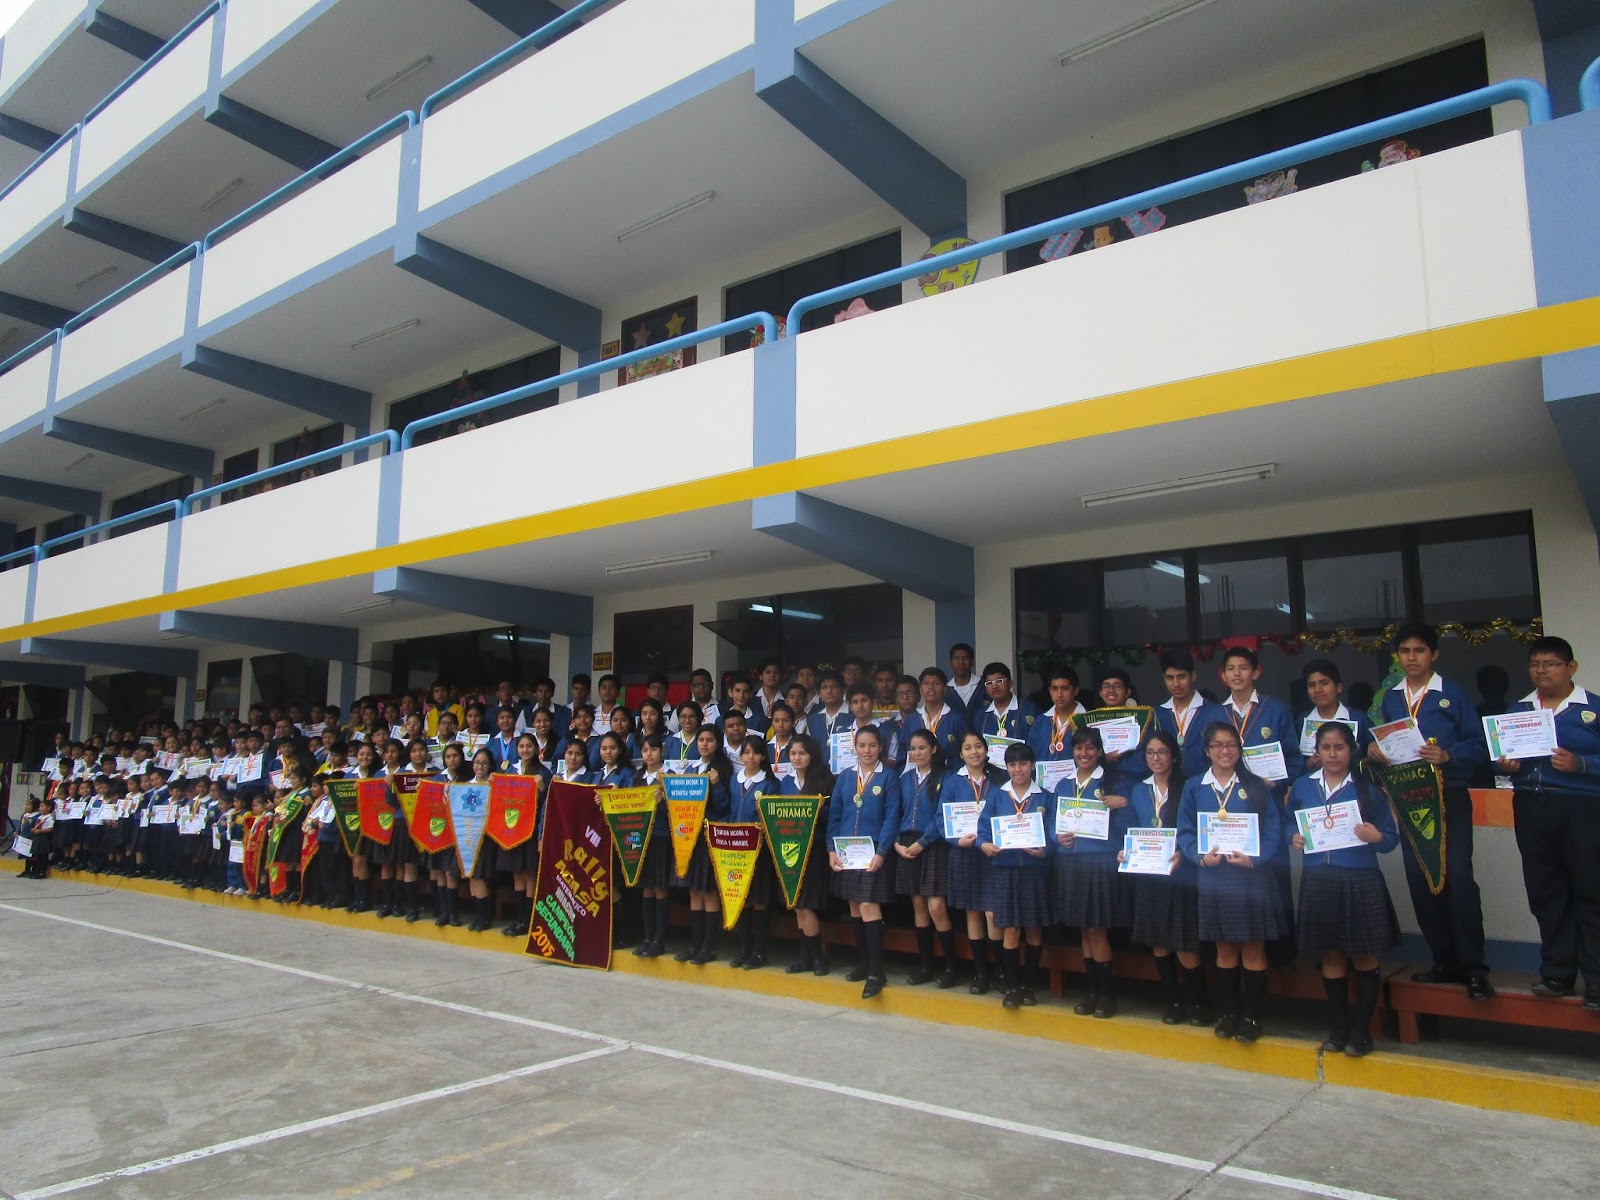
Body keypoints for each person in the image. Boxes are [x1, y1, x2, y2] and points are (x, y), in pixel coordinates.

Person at [1368, 623, 1491, 999]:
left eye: (1419, 651)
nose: (1412, 658)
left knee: (1456, 876)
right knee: (1420, 879)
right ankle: (1444, 961)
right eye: (1405, 651)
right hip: (1408, 799)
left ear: (1433, 654)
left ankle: (1474, 968)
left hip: (1448, 794)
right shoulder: (1390, 697)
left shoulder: (1451, 695)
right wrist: (1374, 753)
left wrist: (1450, 755)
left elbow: (1479, 743)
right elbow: (1382, 742)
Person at [1495, 636, 1600, 1009]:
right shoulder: (1517, 708)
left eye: (1550, 664)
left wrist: (1582, 765)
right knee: (1546, 892)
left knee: (1590, 893)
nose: (1541, 671)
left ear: (1571, 668)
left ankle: (1597, 983)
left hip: (1582, 808)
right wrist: (1506, 766)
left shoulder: (1592, 709)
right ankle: (1557, 974)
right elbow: (1502, 758)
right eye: (1535, 664)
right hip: (1532, 806)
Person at [1289, 722, 1400, 1056]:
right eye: (1326, 748)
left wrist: (1377, 837)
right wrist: (1290, 837)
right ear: (1316, 752)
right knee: (1331, 955)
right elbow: (1285, 823)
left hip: (1360, 878)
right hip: (1319, 879)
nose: (1333, 754)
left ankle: (1361, 1031)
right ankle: (1338, 1029)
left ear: (1351, 751)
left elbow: (1391, 838)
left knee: (1365, 956)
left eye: (1339, 748)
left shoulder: (1367, 789)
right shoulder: (1302, 787)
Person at [1177, 722, 1286, 1042]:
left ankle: (1251, 1018)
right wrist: (1199, 857)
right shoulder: (1195, 786)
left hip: (1251, 877)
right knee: (1224, 949)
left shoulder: (1255, 785)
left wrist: (1257, 858)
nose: (1225, 751)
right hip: (1214, 876)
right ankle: (1230, 1014)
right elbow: (1185, 830)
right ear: (1207, 751)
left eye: (1231, 746)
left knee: (1253, 948)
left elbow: (1272, 830)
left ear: (1239, 750)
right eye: (1217, 746)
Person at [1123, 731, 1208, 1025]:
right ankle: (1173, 1001)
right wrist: (1126, 852)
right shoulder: (1138, 789)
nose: (1156, 758)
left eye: (1161, 752)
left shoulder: (1190, 787)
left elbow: (1197, 828)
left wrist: (1185, 853)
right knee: (1158, 941)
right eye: (1150, 753)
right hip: (1149, 874)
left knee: (1185, 944)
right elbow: (1132, 827)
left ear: (1174, 755)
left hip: (1180, 873)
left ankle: (1198, 1002)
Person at [1052, 728, 1131, 1018]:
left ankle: (1106, 995)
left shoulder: (1113, 782)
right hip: (1071, 862)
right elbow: (1053, 822)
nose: (1084, 754)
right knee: (1084, 929)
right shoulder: (1063, 785)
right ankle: (1092, 992)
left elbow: (1128, 826)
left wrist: (1125, 804)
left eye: (1090, 748)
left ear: (1099, 751)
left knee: (1097, 930)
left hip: (1100, 862)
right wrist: (1058, 837)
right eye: (1079, 748)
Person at [977, 742, 1051, 1009]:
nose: (1018, 770)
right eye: (1012, 765)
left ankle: (1028, 986)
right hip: (1005, 870)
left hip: (1034, 872)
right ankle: (1012, 986)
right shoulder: (997, 796)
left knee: (1033, 930)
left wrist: (1045, 850)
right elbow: (983, 829)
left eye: (1023, 764)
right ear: (1006, 767)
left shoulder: (1045, 796)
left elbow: (1052, 832)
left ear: (1032, 766)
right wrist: (984, 845)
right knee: (1010, 929)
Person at [826, 725, 899, 999]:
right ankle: (863, 963)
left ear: (880, 747)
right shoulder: (845, 777)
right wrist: (831, 849)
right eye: (862, 745)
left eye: (872, 745)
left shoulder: (888, 777)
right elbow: (834, 815)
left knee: (869, 905)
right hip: (846, 852)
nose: (867, 751)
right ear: (854, 748)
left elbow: (892, 817)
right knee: (855, 907)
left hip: (873, 854)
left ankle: (875, 972)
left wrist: (882, 852)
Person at [893, 729, 957, 987]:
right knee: (918, 906)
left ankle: (951, 967)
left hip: (933, 844)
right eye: (913, 749)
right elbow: (896, 811)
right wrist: (897, 843)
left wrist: (922, 843)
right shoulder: (905, 778)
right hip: (906, 844)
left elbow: (943, 816)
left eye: (922, 748)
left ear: (933, 749)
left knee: (936, 907)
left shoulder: (946, 777)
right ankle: (925, 966)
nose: (917, 753)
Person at [675, 726, 733, 965]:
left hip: (711, 835)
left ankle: (708, 947)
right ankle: (694, 944)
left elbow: (725, 807)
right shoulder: (690, 768)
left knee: (709, 890)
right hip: (690, 836)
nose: (704, 744)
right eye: (701, 740)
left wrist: (718, 784)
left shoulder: (724, 769)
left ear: (718, 743)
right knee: (694, 890)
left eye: (710, 740)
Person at [780, 733, 835, 976]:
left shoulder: (824, 781)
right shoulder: (785, 783)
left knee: (806, 903)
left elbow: (834, 815)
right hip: (790, 850)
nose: (797, 758)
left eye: (802, 753)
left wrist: (818, 809)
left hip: (815, 848)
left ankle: (818, 958)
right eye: (793, 753)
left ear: (811, 755)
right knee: (796, 904)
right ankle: (805, 957)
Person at [728, 736, 781, 969]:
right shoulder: (733, 779)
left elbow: (773, 815)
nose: (750, 757)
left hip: (759, 849)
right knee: (742, 898)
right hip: (736, 849)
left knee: (759, 900)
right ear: (741, 756)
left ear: (762, 757)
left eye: (755, 753)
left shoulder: (770, 783)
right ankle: (743, 949)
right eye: (746, 753)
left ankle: (760, 952)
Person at [500, 732, 550, 938]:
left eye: (529, 746)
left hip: (531, 829)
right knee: (516, 874)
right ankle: (517, 919)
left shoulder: (543, 772)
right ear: (516, 749)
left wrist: (542, 788)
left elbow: (547, 802)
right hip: (511, 828)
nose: (525, 750)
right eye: (521, 747)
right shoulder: (508, 770)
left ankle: (528, 920)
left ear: (536, 749)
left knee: (529, 873)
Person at [1155, 651, 1226, 778]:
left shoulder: (1214, 711)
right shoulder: (1157, 714)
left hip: (1205, 786)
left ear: (1193, 676)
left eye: (1181, 677)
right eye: (1170, 678)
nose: (1176, 684)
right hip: (1168, 787)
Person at [633, 734, 673, 958]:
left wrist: (664, 802)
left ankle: (660, 939)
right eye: (645, 750)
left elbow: (680, 811)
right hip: (641, 837)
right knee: (647, 887)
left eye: (653, 749)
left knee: (660, 887)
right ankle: (647, 937)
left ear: (662, 752)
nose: (649, 754)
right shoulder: (638, 776)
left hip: (661, 836)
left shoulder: (668, 776)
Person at [1298, 659, 1372, 771]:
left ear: (1338, 687)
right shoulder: (1300, 722)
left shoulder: (1359, 719)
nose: (1318, 690)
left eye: (1324, 683)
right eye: (1312, 685)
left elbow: (1374, 756)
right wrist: (1308, 765)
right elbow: (1293, 763)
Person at [904, 667, 967, 761]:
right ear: (920, 689)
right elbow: (903, 753)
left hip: (949, 773)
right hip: (917, 773)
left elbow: (964, 752)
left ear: (945, 688)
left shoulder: (956, 718)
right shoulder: (911, 720)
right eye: (926, 683)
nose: (930, 687)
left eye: (936, 683)